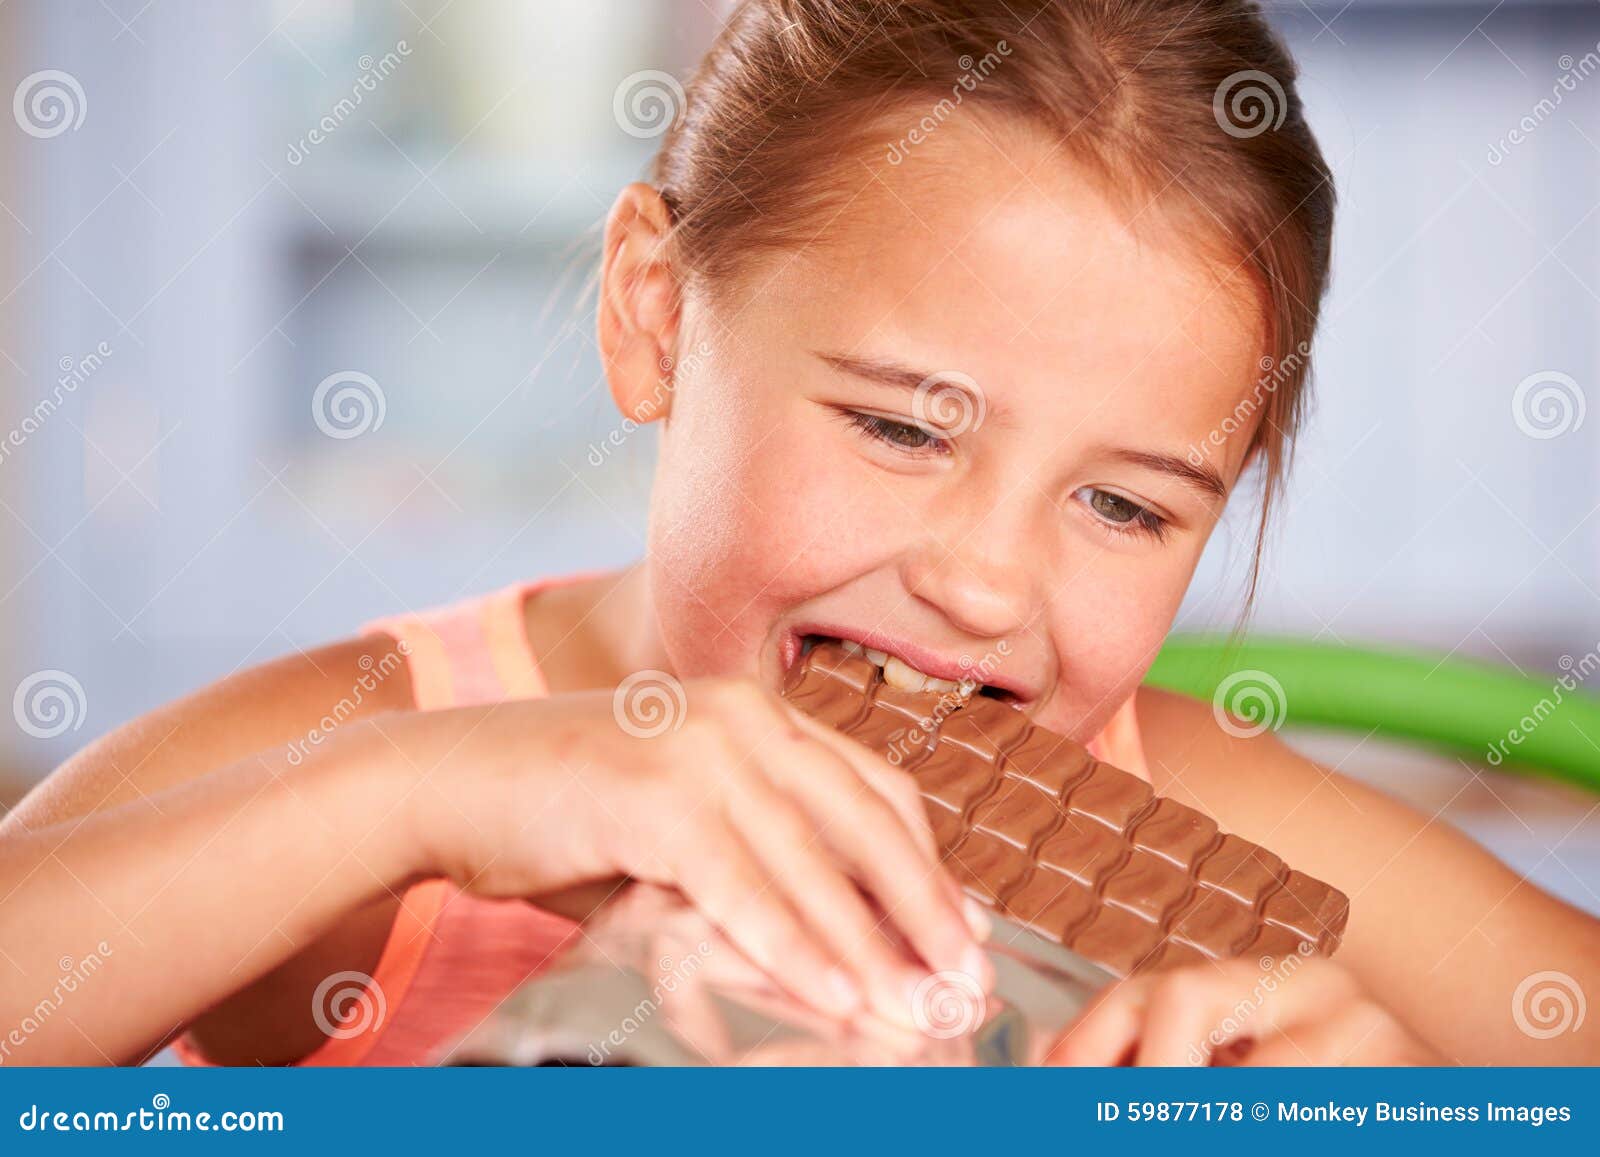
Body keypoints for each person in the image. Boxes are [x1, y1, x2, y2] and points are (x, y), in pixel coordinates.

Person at [3, 0, 1595, 1067]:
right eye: (903, 426)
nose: (984, 580)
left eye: (1125, 504)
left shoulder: (1194, 823)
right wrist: (416, 798)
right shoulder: (379, 751)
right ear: (656, 320)